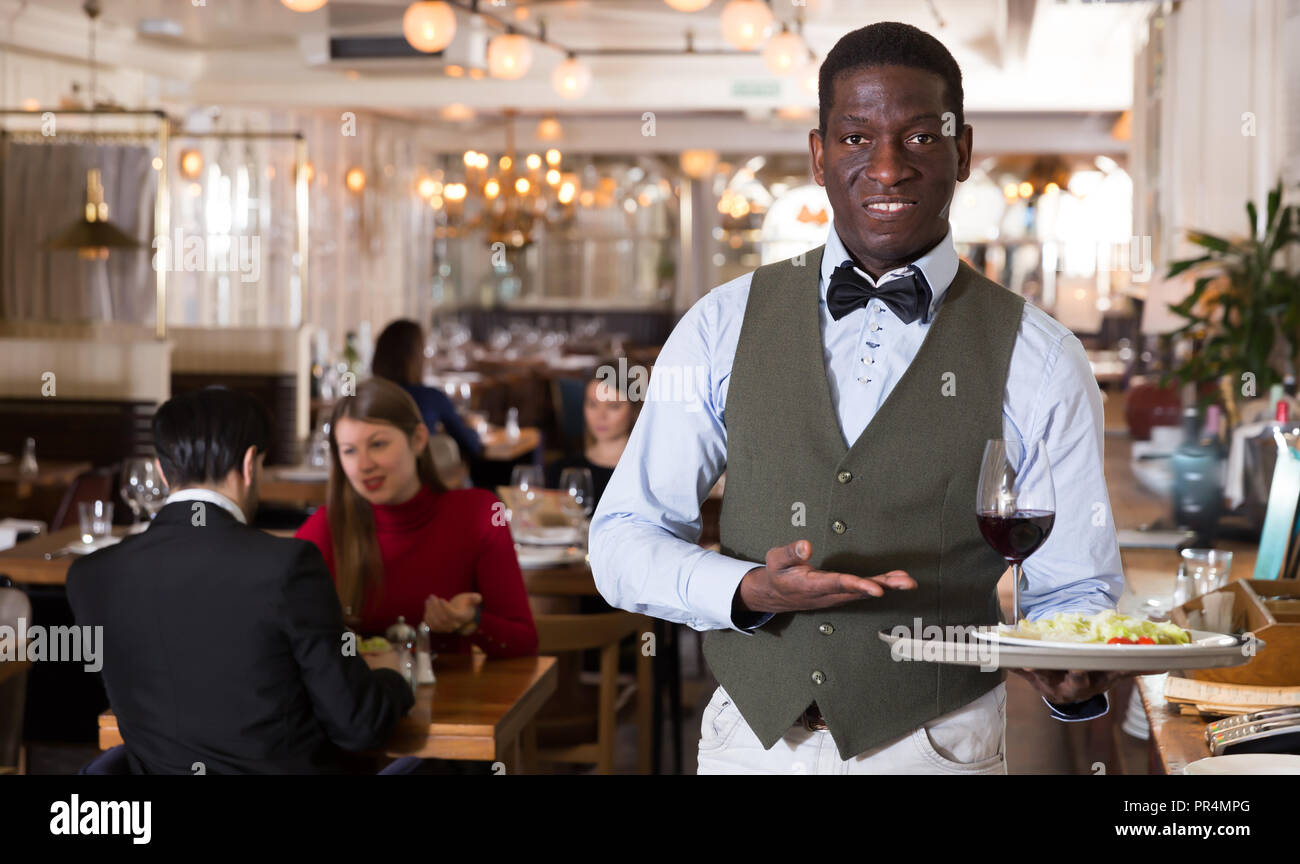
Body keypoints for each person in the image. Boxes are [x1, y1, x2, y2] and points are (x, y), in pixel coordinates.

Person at [590, 22, 1132, 774]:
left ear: (963, 151)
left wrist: (1072, 668)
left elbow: (1076, 583)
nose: (886, 168)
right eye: (854, 139)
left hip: (934, 747)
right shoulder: (721, 324)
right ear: (818, 155)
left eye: (917, 138)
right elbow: (620, 540)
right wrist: (747, 588)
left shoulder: (1042, 357)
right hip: (750, 743)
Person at [67, 388, 414, 774]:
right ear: (251, 464)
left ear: (163, 472)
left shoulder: (91, 577)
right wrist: (398, 678)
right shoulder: (288, 565)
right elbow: (358, 727)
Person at [295, 377, 537, 658]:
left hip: (453, 698)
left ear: (419, 439)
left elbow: (524, 642)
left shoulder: (481, 514)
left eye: (378, 444)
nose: (364, 465)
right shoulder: (325, 528)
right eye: (349, 451)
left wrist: (472, 622)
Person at [371, 318, 484, 461]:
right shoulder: (430, 397)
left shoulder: (368, 397)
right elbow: (471, 444)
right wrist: (474, 429)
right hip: (420, 479)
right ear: (415, 358)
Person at [545, 360, 642, 509]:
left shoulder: (645, 473)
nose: (600, 416)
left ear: (634, 410)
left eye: (613, 406)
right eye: (593, 404)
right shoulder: (562, 471)